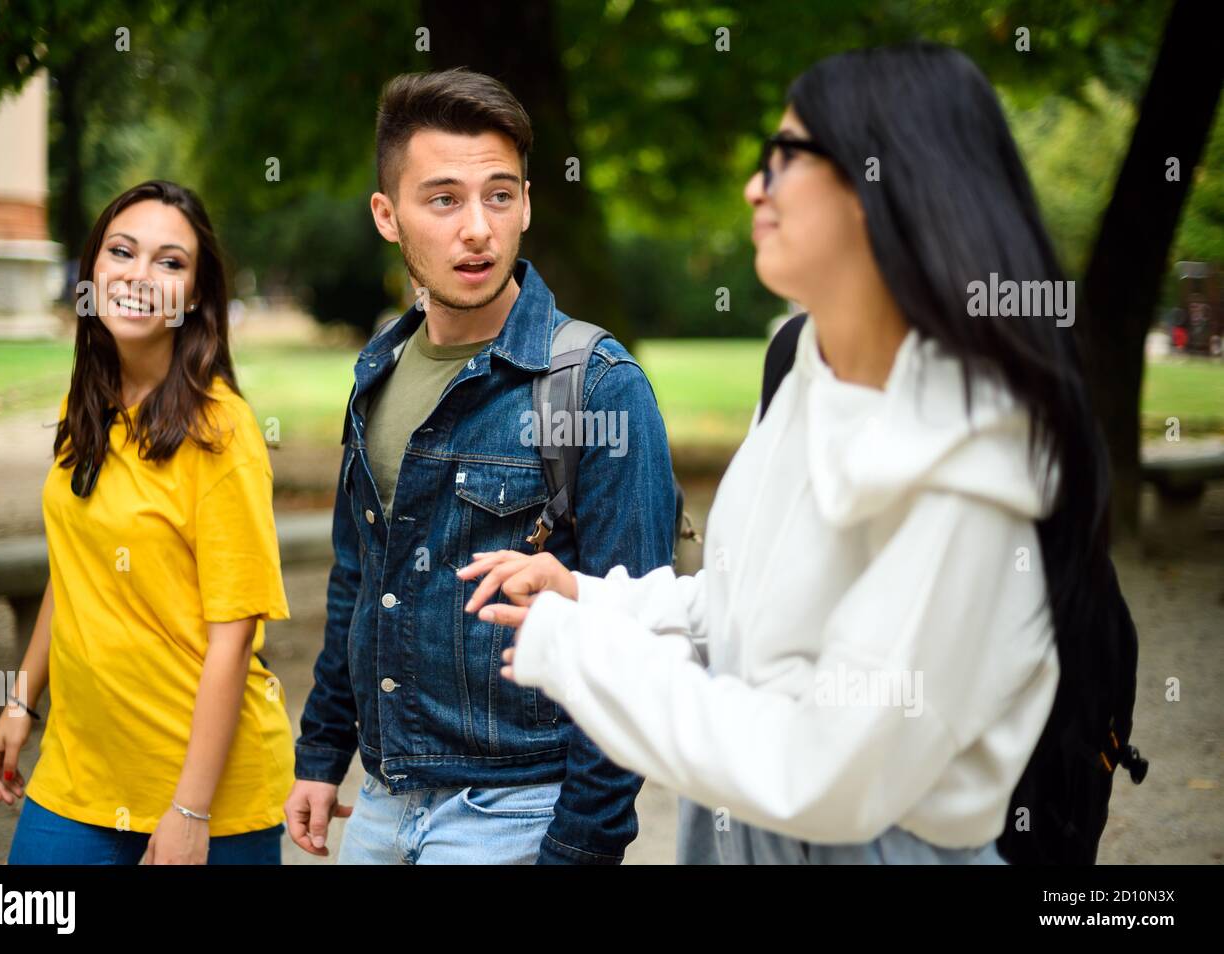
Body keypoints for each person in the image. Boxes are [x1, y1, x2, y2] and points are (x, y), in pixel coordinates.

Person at [460, 44, 1113, 864]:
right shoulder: (814, 373)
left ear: (881, 183)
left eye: (785, 158)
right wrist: (592, 601)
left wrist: (582, 652)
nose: (753, 188)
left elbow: (824, 772)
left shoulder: (970, 468)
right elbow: (748, 614)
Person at [286, 69, 676, 865]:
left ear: (528, 204)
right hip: (383, 804)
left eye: (499, 196)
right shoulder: (379, 373)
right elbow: (359, 577)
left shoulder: (598, 385)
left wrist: (578, 847)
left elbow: (634, 642)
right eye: (443, 200)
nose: (477, 229)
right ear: (387, 217)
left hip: (517, 812)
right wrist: (322, 756)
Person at [0, 180, 293, 865]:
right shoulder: (86, 402)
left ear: (196, 297)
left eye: (170, 262)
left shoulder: (222, 433)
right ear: (93, 268)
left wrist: (190, 810)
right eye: (122, 251)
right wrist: (20, 703)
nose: (139, 275)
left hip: (209, 792)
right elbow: (75, 571)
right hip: (76, 777)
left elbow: (234, 637)